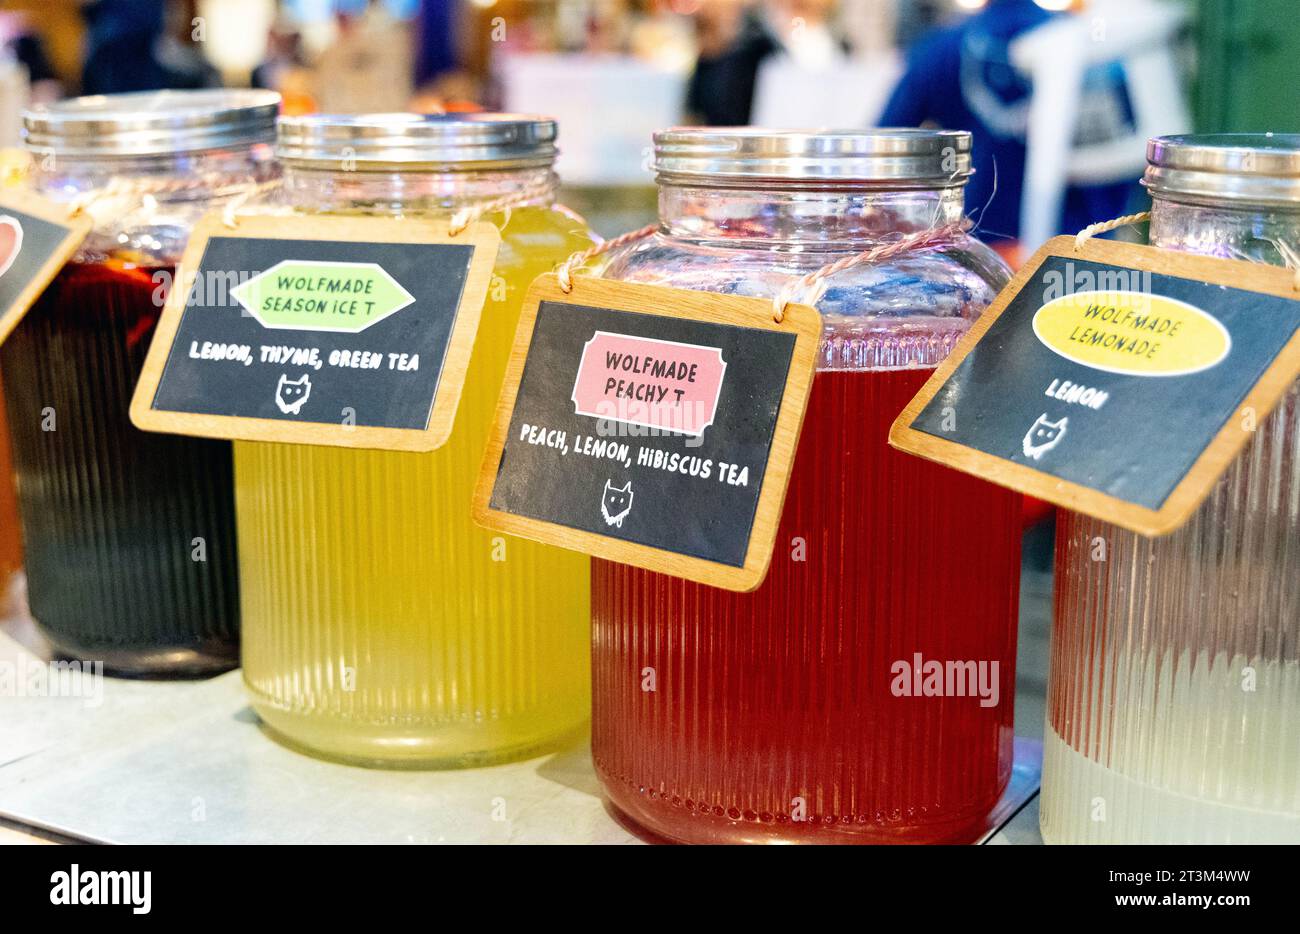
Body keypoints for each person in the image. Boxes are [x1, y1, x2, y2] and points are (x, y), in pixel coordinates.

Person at [879, 0, 1137, 251]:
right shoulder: (1091, 47)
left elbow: (884, 146)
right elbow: (1127, 157)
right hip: (1078, 250)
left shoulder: (940, 49)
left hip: (980, 248)